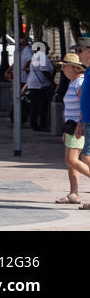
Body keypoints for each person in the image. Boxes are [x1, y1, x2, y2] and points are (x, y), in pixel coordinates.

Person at [54, 53, 89, 205]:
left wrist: (80, 124)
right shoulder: (72, 82)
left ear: (75, 68)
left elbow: (84, 105)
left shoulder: (80, 82)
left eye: (65, 66)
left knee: (72, 160)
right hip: (71, 127)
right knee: (70, 163)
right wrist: (66, 130)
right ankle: (73, 193)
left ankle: (73, 193)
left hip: (78, 127)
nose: (62, 69)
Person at [24, 42, 54, 132]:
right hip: (40, 85)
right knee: (42, 106)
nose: (48, 49)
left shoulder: (35, 57)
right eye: (47, 47)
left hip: (33, 84)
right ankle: (42, 125)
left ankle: (34, 124)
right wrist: (52, 82)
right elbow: (44, 71)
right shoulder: (42, 57)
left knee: (34, 105)